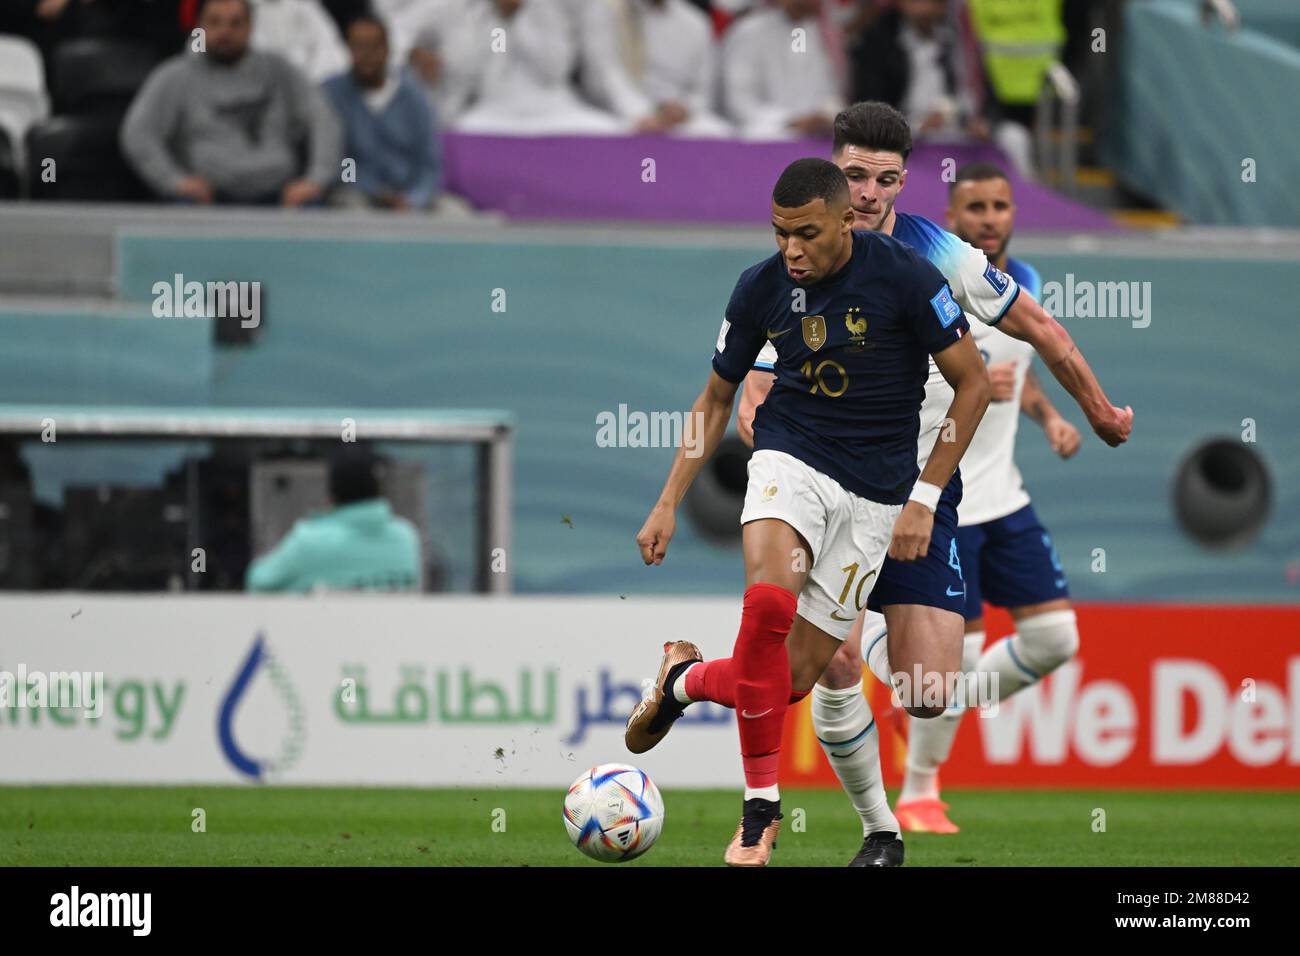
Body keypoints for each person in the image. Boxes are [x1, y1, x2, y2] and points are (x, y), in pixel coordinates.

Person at [735, 101, 1130, 865]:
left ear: (902, 182)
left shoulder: (939, 257)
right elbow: (749, 386)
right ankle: (881, 831)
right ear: (833, 175)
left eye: (884, 179)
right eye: (854, 175)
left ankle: (699, 678)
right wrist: (773, 432)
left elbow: (1041, 329)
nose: (869, 193)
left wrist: (1101, 410)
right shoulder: (799, 262)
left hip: (921, 496)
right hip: (827, 488)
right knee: (829, 666)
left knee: (925, 693)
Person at [625, 157, 993, 866]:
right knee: (765, 608)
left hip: (878, 499)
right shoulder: (760, 287)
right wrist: (667, 500)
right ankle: (761, 811)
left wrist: (924, 496)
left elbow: (973, 385)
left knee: (785, 683)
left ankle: (683, 680)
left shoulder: (908, 278)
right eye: (779, 233)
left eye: (806, 234)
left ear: (847, 222)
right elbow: (715, 398)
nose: (791, 249)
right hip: (790, 463)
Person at [892, 160, 1081, 832]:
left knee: (1057, 638)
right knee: (961, 653)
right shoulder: (927, 278)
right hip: (945, 498)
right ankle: (919, 790)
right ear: (951, 219)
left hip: (1005, 495)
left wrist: (1049, 416)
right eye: (976, 208)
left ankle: (920, 707)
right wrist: (970, 380)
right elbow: (952, 373)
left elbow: (1019, 369)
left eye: (1000, 206)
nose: (990, 218)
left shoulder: (1024, 283)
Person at [120, 0, 342, 206]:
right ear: (199, 27)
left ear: (250, 27)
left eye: (235, 23)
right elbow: (137, 133)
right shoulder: (176, 76)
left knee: (316, 212)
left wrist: (316, 180)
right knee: (180, 214)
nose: (225, 32)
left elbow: (323, 119)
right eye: (215, 22)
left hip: (282, 197)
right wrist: (173, 181)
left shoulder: (279, 70)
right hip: (207, 200)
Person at [245, 456, 422, 593]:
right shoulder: (406, 538)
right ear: (379, 493)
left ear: (331, 497)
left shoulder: (310, 542)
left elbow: (259, 582)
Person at [322, 13, 442, 211]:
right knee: (352, 211)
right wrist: (370, 189)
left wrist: (413, 199)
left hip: (408, 196)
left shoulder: (415, 97)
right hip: (356, 194)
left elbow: (429, 165)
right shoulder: (332, 95)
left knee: (455, 213)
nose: (365, 55)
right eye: (358, 48)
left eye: (372, 47)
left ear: (386, 49)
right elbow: (336, 161)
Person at [721, 0, 845, 140]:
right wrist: (789, 121)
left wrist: (825, 117)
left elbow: (830, 93)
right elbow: (739, 103)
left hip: (813, 138)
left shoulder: (819, 34)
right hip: (764, 135)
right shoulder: (749, 32)